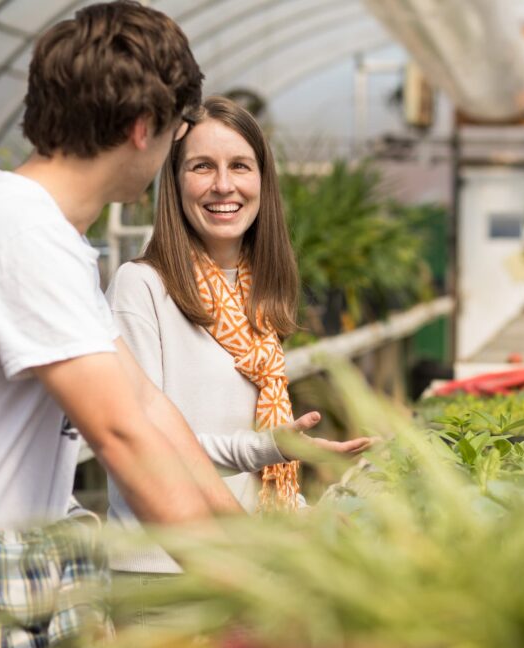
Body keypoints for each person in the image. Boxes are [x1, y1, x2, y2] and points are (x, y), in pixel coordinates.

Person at [0, 3, 245, 648]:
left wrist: (257, 553)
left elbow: (147, 406)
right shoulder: (26, 240)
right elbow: (122, 436)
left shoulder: (42, 231)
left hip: (4, 592)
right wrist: (245, 595)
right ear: (143, 128)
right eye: (177, 133)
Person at [106, 96, 372, 583]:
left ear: (263, 182)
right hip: (168, 575)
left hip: (251, 566)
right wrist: (270, 447)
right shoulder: (141, 286)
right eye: (202, 166)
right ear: (175, 181)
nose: (223, 185)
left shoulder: (257, 293)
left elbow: (256, 456)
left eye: (240, 166)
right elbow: (140, 442)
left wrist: (303, 516)